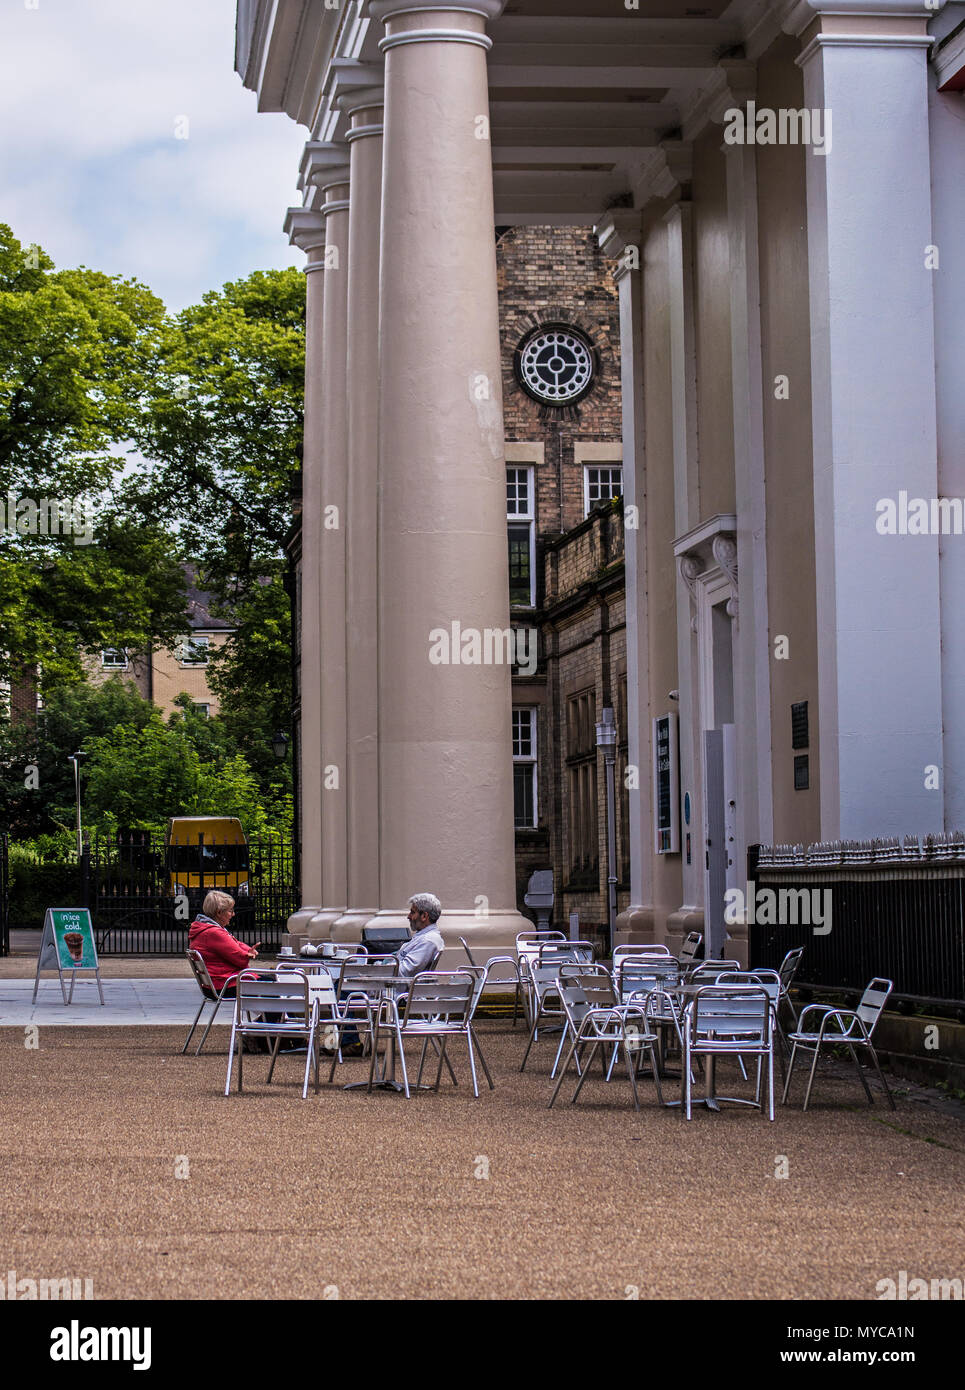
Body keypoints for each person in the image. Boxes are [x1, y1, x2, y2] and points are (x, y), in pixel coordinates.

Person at [188, 890, 259, 997]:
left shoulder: (204, 929)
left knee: (269, 982)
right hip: (224, 984)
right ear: (219, 913)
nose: (233, 914)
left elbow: (234, 943)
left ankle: (271, 1013)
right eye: (230, 911)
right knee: (272, 986)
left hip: (215, 984)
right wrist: (246, 955)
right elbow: (240, 960)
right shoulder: (214, 932)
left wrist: (247, 950)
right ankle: (280, 1014)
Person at [394, 893, 445, 977]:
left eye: (412, 912)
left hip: (398, 988)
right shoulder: (423, 937)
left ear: (424, 916)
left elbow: (404, 972)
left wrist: (379, 969)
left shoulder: (429, 940)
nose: (408, 916)